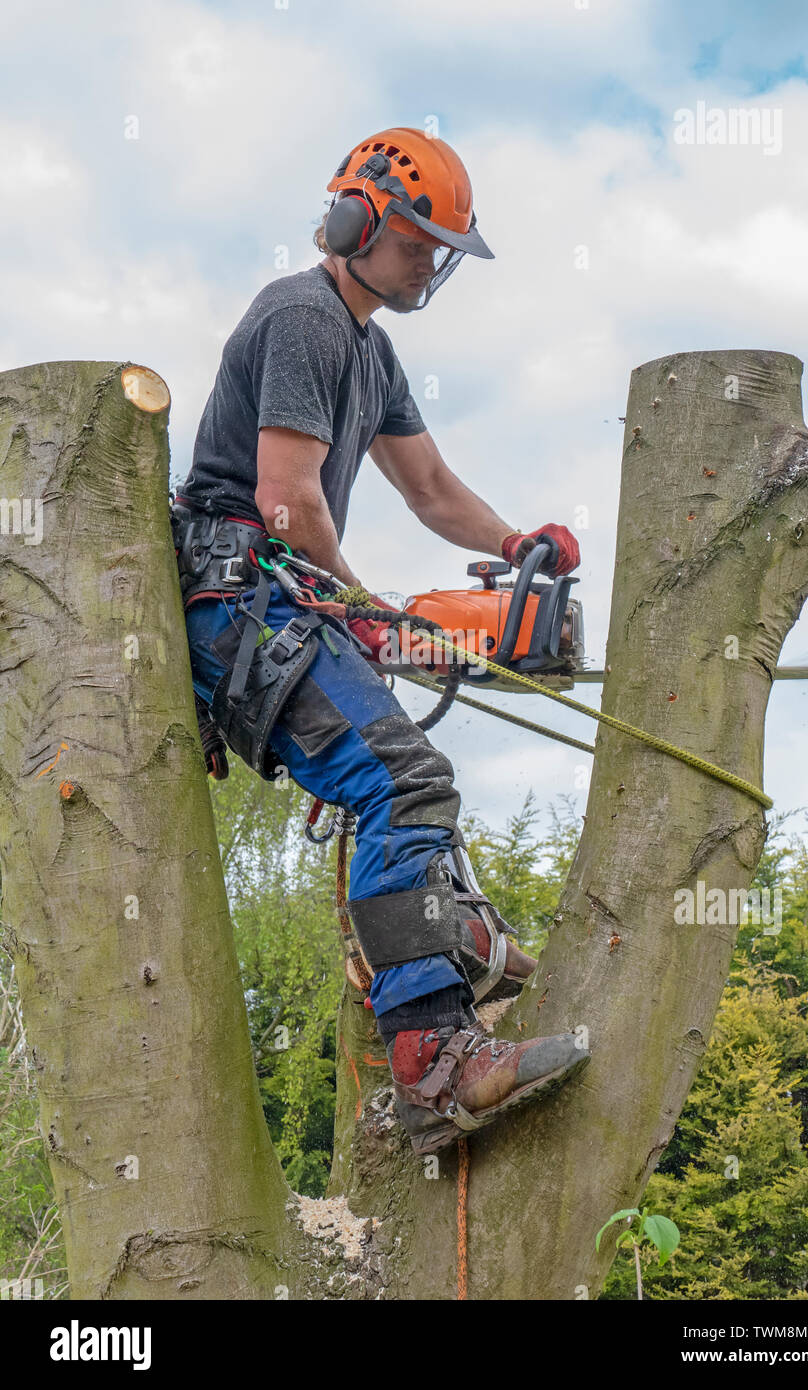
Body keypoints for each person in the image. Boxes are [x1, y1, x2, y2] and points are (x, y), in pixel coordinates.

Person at [172, 127, 588, 1156]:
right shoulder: (304, 316)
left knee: (405, 775)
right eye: (415, 242)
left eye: (439, 248)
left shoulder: (369, 345)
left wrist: (514, 541)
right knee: (400, 780)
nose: (428, 263)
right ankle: (430, 1060)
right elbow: (283, 498)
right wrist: (366, 611)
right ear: (357, 221)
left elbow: (431, 489)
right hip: (245, 600)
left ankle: (458, 943)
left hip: (282, 599)